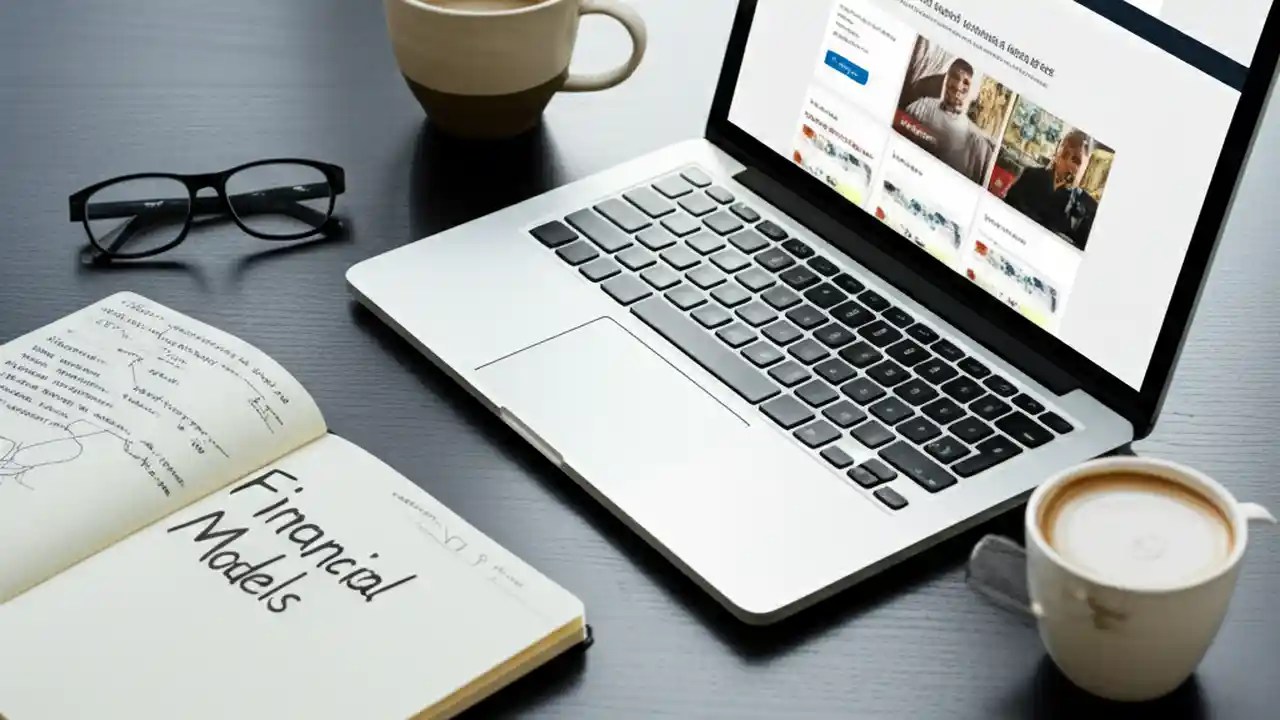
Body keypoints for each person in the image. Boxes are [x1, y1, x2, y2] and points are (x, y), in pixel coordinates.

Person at [902, 58, 995, 183]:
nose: (958, 85)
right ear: (946, 78)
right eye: (955, 77)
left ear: (972, 91)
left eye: (966, 82)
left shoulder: (978, 144)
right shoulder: (921, 106)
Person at [1003, 129, 1099, 250]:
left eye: (1076, 160)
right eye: (1064, 155)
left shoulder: (1089, 211)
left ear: (1086, 168)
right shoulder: (1030, 176)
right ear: (1057, 153)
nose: (1067, 163)